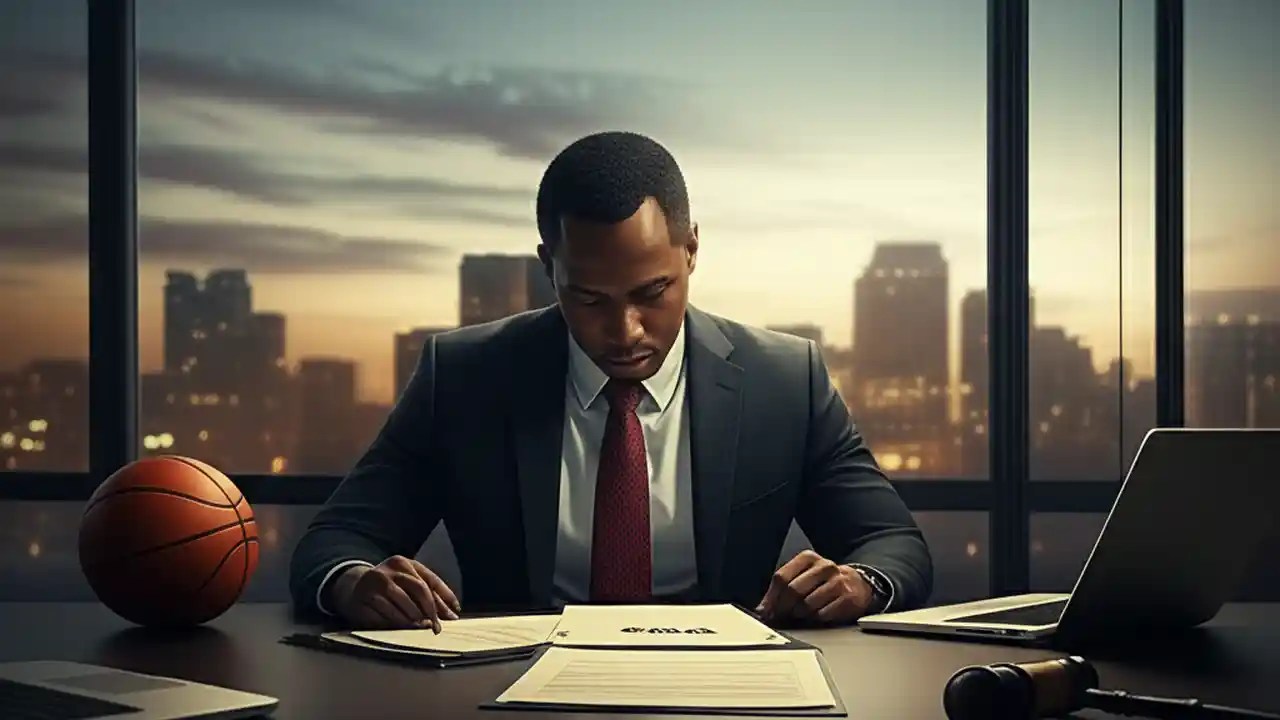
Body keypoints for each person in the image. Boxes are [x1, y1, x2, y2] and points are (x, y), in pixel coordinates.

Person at [289, 130, 932, 632]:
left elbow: (894, 543)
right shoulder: (462, 377)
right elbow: (334, 540)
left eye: (652, 292)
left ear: (692, 252)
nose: (625, 331)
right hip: (511, 691)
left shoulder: (787, 379)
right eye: (590, 298)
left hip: (726, 694)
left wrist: (860, 582)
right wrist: (354, 581)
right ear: (550, 268)